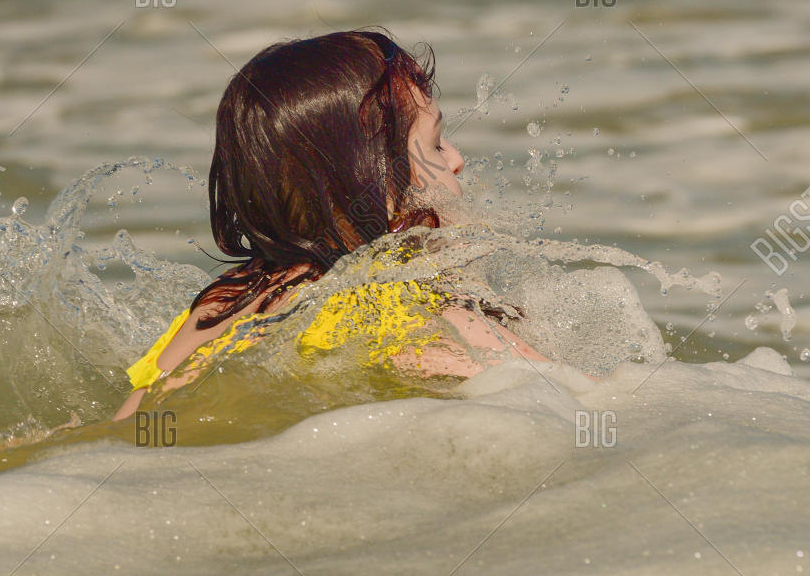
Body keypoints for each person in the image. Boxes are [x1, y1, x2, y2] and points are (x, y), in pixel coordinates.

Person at [113, 28, 554, 420]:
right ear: (374, 186)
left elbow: (130, 425)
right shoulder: (408, 315)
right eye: (436, 145)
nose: (456, 160)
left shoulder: (227, 300)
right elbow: (566, 402)